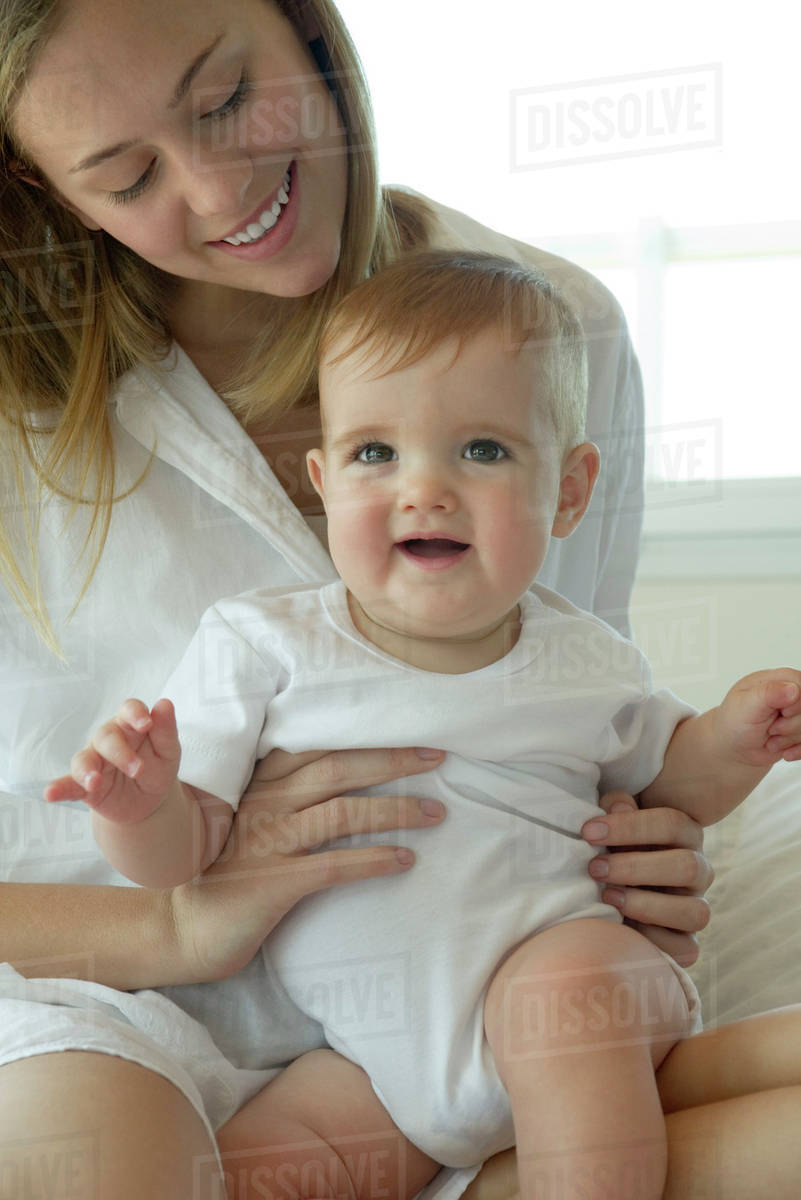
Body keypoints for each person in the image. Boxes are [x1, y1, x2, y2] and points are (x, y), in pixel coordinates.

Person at [0, 1, 792, 1197]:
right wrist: (164, 889)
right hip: (151, 1014)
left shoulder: (556, 333)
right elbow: (171, 839)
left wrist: (668, 827)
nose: (220, 195)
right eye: (126, 175)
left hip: (520, 992)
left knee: (597, 1048)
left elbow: (617, 744)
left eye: (224, 100)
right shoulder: (243, 630)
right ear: (42, 187)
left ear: (305, 25)